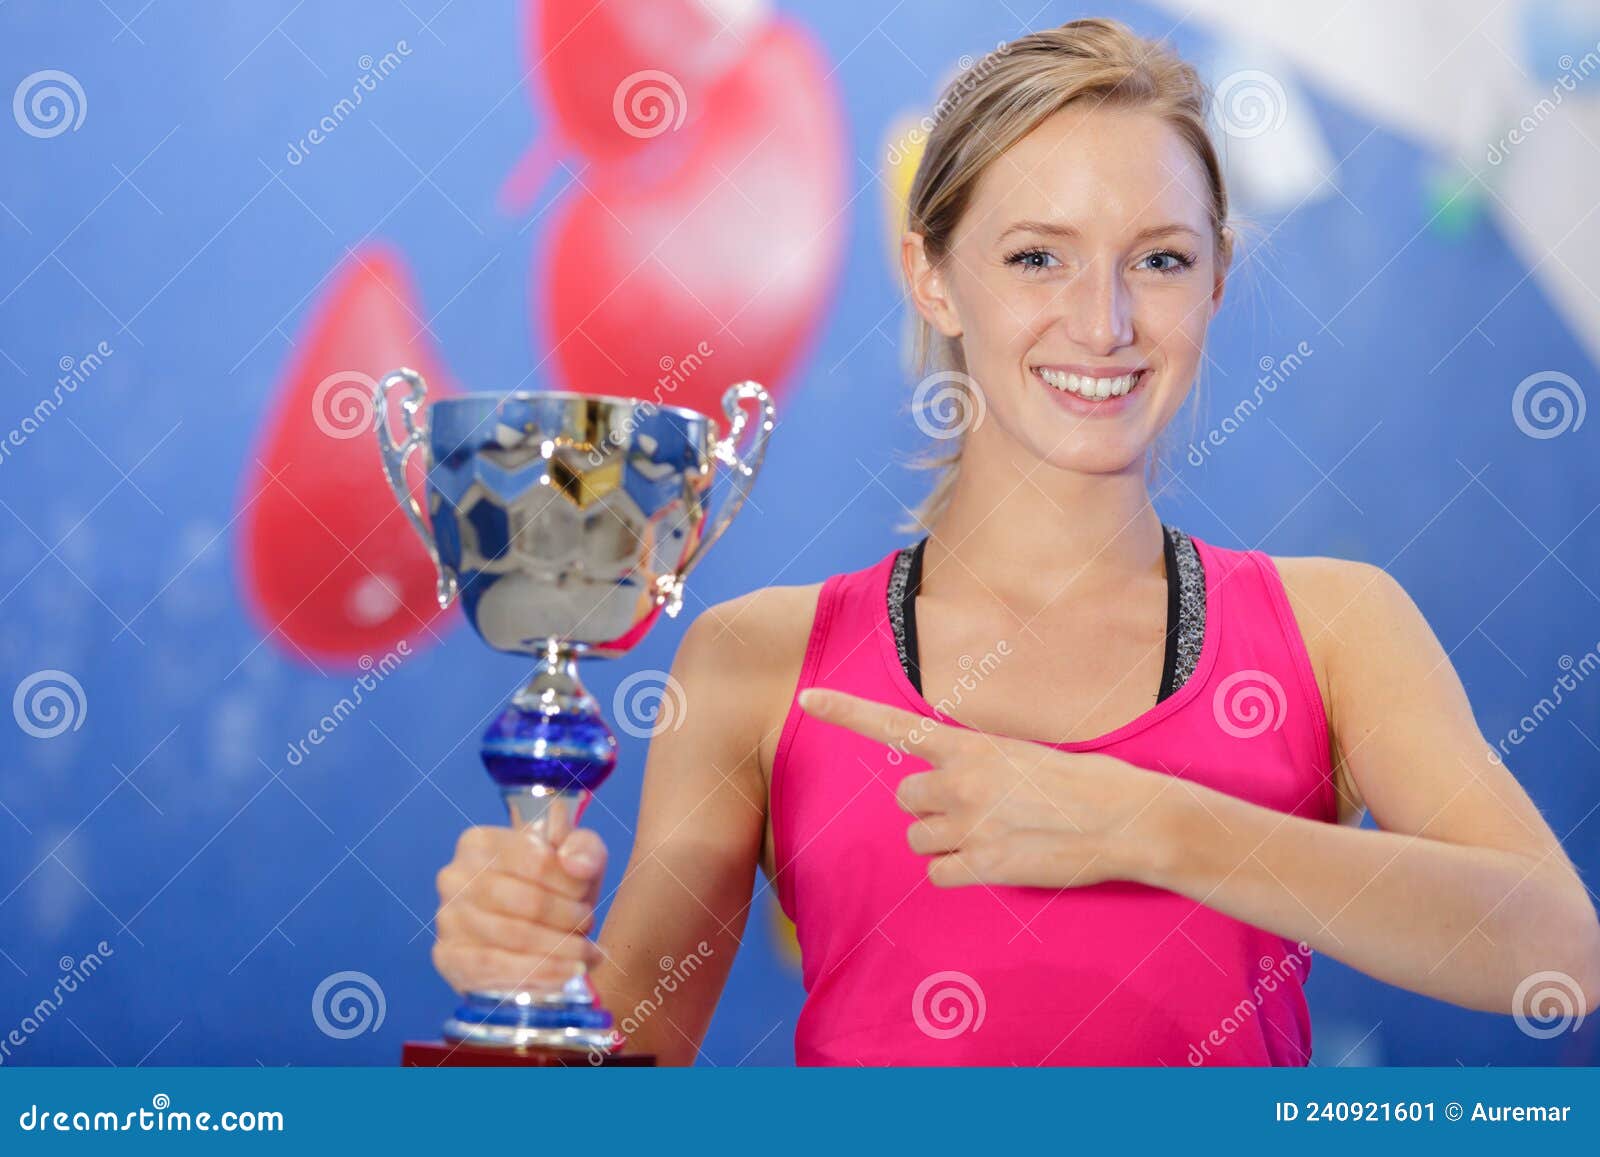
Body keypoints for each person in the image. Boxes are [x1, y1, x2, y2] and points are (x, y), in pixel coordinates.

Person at [430, 17, 1600, 1065]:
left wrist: (1147, 822)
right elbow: (629, 1048)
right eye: (1036, 255)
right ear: (931, 276)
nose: (1103, 320)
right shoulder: (757, 661)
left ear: (1216, 281)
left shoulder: (1336, 627)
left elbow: (1555, 952)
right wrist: (524, 973)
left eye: (1161, 258)